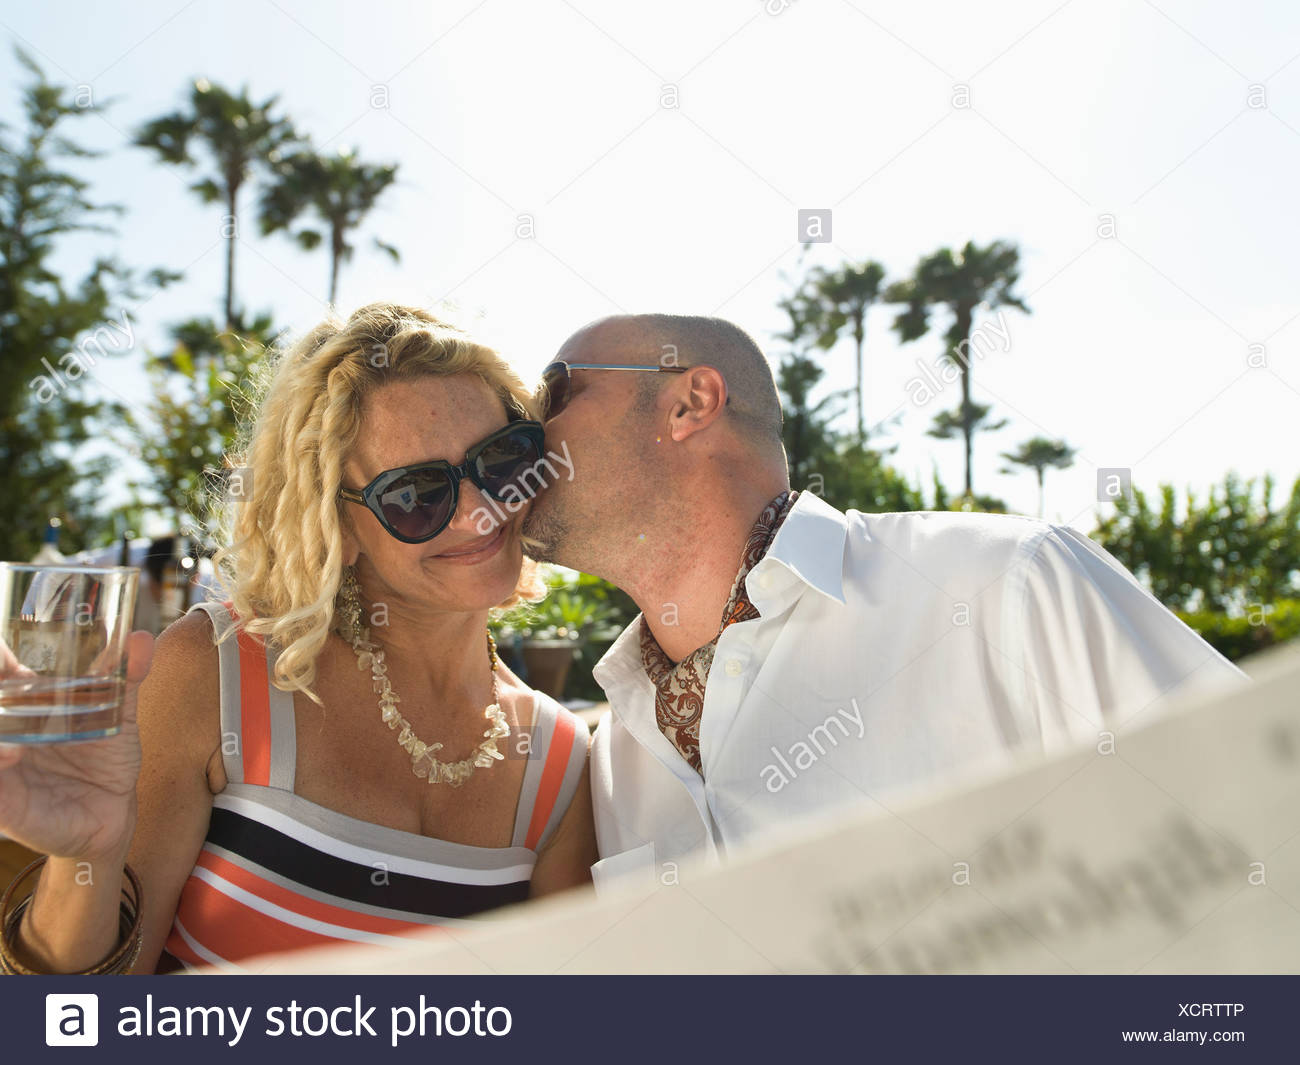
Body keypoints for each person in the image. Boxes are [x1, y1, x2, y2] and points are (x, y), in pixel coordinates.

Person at [522, 313, 1248, 879]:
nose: (522, 436)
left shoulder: (1007, 587)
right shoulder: (614, 753)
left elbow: (1259, 829)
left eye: (554, 393)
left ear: (690, 400)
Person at [0, 304, 596, 974]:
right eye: (416, 494)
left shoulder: (560, 762)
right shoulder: (218, 672)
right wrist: (89, 856)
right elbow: (68, 1028)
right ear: (333, 526)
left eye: (501, 458)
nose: (479, 509)